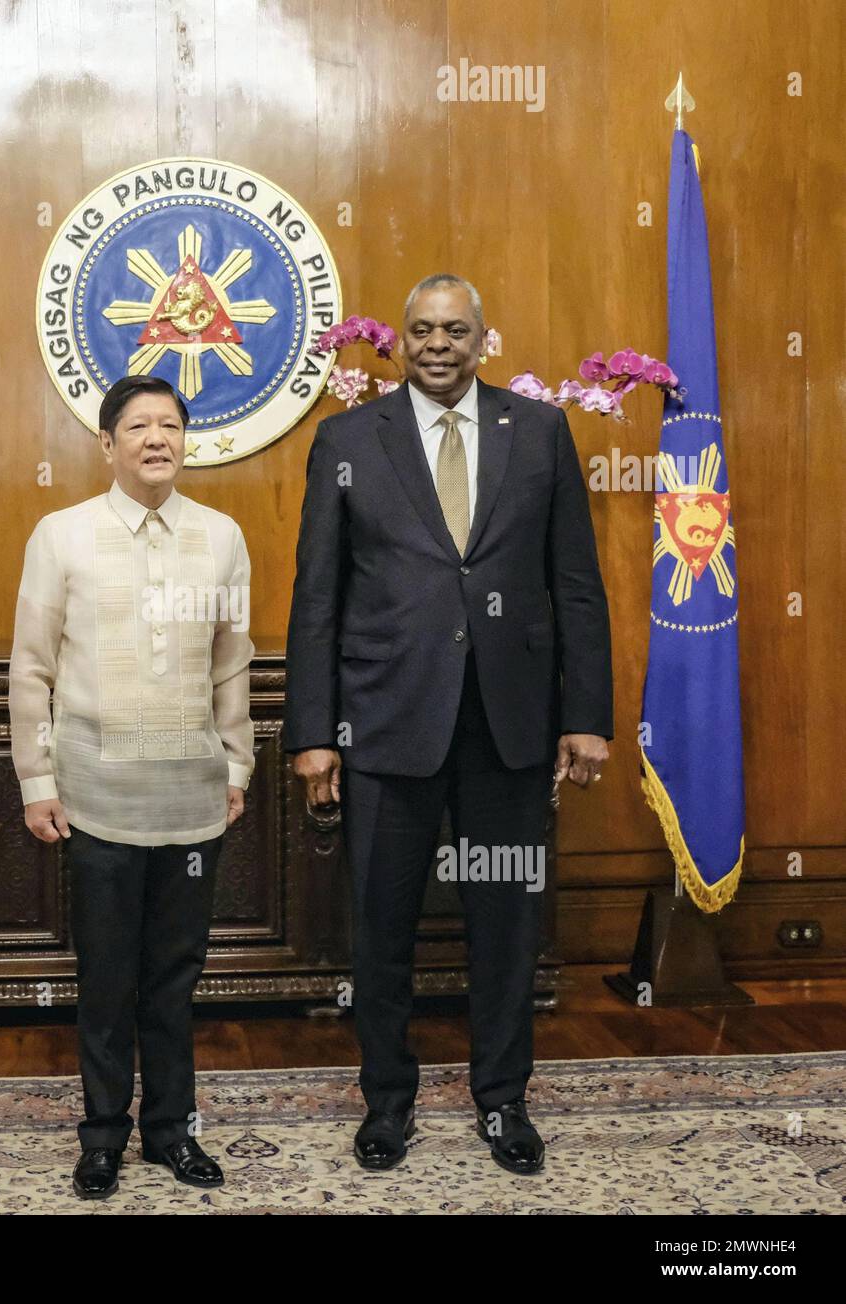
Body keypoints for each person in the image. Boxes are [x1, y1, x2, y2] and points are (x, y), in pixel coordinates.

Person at [284, 274, 613, 1175]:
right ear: (398, 341)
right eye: (423, 330)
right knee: (380, 925)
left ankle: (503, 1100)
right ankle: (386, 1103)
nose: (438, 344)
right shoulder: (348, 439)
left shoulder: (539, 431)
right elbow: (318, 596)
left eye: (455, 330)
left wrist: (586, 715)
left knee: (506, 924)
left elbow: (576, 585)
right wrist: (313, 731)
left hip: (507, 730)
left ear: (482, 339)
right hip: (385, 727)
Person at [10, 374, 254, 1200]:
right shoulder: (62, 535)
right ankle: (103, 1137)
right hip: (96, 797)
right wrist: (37, 778)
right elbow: (32, 668)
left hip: (190, 797)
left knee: (175, 979)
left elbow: (232, 664)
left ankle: (171, 1134)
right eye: (139, 426)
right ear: (107, 443)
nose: (158, 438)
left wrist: (237, 763)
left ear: (187, 441)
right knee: (108, 978)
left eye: (172, 425)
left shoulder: (220, 537)